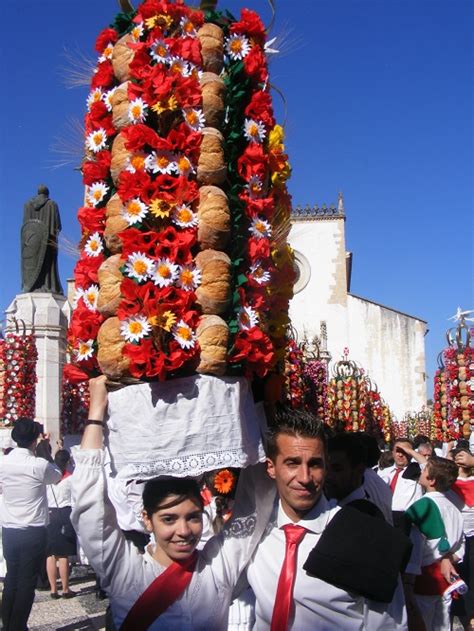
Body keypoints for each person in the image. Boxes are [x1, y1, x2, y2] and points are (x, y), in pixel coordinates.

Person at [70, 376, 275, 630]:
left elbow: (257, 499)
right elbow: (88, 506)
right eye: (169, 519)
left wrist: (255, 404)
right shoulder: (126, 573)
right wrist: (96, 413)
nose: (184, 531)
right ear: (146, 519)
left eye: (193, 517)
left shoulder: (217, 567)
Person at [245, 407, 408, 629]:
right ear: (271, 468)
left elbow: (389, 626)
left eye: (315, 464)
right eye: (292, 463)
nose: (305, 478)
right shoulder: (253, 535)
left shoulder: (369, 539)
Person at [0, 418, 61, 631]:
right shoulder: (39, 465)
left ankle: (7, 623)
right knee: (27, 582)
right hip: (33, 530)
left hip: (9, 529)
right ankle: (17, 627)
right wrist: (46, 453)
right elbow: (56, 477)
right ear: (35, 440)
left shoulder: (3, 462)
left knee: (12, 578)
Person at [406, 456, 464, 631]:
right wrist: (447, 558)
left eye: (424, 470)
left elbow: (414, 546)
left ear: (431, 480)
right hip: (446, 578)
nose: (421, 472)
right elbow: (461, 549)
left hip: (424, 577)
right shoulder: (454, 508)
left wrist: (408, 582)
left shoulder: (422, 505)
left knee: (421, 624)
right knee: (442, 626)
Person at [447, 448, 474, 630]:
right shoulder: (448, 484)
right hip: (455, 537)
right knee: (457, 577)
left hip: (473, 536)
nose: (459, 458)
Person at [46, 449, 77, 599]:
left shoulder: (48, 478)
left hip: (50, 514)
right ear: (67, 462)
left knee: (51, 554)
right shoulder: (71, 478)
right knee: (63, 555)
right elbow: (76, 498)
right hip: (65, 512)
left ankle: (53, 589)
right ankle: (65, 588)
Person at [21, 184, 63, 294]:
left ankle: (32, 286)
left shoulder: (27, 205)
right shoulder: (52, 204)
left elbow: (26, 226)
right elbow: (57, 226)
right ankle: (49, 286)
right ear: (47, 193)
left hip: (31, 244)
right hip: (48, 241)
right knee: (49, 264)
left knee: (33, 262)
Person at [378, 437, 427, 531]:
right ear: (392, 452)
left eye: (405, 452)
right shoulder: (383, 472)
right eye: (397, 451)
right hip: (384, 519)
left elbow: (428, 466)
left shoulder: (418, 471)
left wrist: (411, 451)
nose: (400, 455)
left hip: (406, 522)